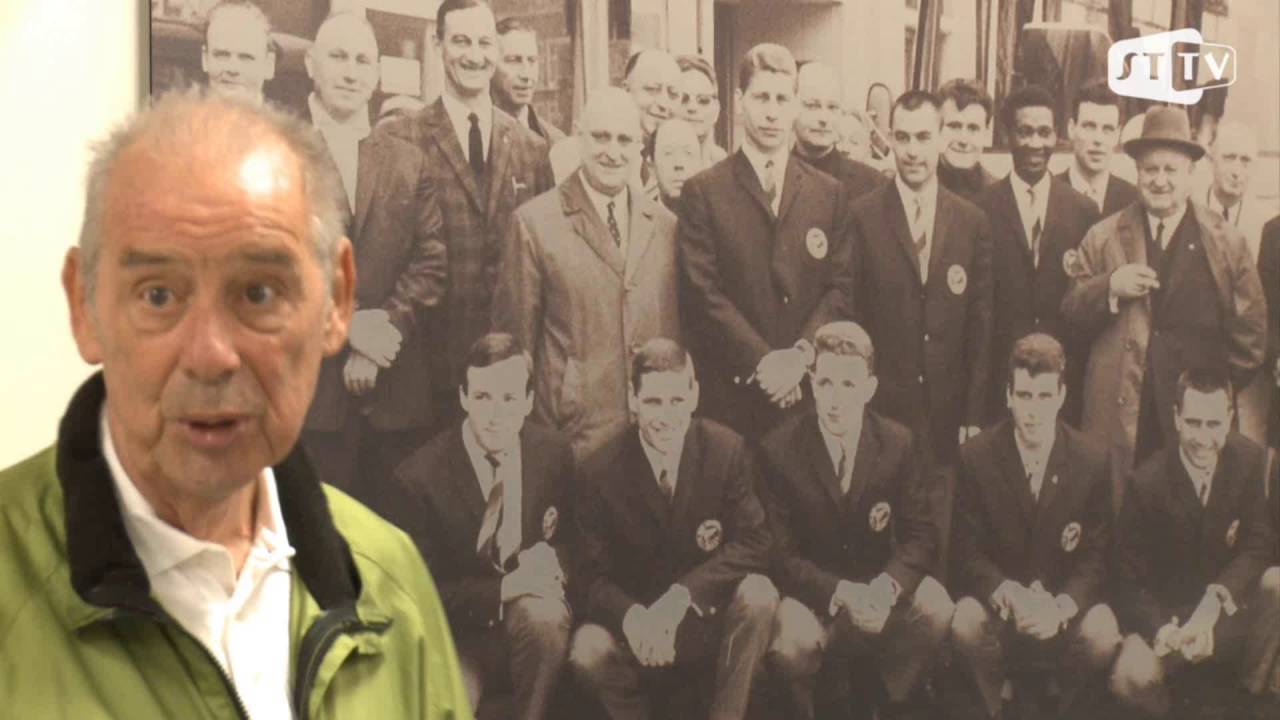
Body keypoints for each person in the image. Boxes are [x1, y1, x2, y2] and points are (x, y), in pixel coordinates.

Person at [0, 88, 469, 717]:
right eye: (158, 295)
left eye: (258, 293)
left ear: (337, 300)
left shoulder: (388, 579)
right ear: (84, 306)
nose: (211, 355)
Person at [1061, 106, 1266, 511]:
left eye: (1171, 170)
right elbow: (1069, 315)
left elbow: (1251, 336)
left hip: (1193, 423)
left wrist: (1212, 393)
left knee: (1190, 520)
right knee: (1120, 517)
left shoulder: (1226, 243)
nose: (1159, 180)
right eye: (1149, 169)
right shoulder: (1103, 237)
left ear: (1191, 173)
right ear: (1137, 172)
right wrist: (1109, 287)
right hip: (1124, 420)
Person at [570, 339, 777, 720]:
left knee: (759, 594)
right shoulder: (598, 471)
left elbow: (757, 541)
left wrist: (683, 595)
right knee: (587, 649)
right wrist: (634, 617)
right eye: (653, 402)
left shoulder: (726, 449)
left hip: (701, 621)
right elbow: (588, 577)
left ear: (694, 394)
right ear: (633, 399)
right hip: (638, 632)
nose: (666, 417)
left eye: (677, 401)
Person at [763, 322, 952, 720]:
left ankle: (884, 695)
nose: (835, 400)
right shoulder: (778, 451)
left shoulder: (897, 442)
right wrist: (839, 591)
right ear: (811, 383)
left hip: (876, 590)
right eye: (826, 383)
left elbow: (921, 536)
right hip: (814, 596)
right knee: (791, 643)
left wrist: (887, 586)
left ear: (869, 388)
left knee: (936, 605)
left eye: (849, 385)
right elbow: (779, 556)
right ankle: (817, 704)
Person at [298, 12, 447, 498]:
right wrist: (348, 328)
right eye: (338, 57)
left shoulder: (408, 159)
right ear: (311, 63)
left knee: (394, 534)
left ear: (377, 73)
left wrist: (381, 335)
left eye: (363, 60)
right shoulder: (279, 150)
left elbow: (431, 262)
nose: (350, 71)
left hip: (396, 397)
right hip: (312, 398)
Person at [383, 0, 553, 422]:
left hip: (507, 369)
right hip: (426, 371)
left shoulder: (531, 148)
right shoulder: (402, 138)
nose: (474, 55)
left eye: (484, 43)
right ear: (437, 43)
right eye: (461, 41)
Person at [388, 333, 574, 720]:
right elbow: (419, 594)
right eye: (483, 397)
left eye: (509, 398)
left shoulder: (553, 454)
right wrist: (505, 588)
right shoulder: (418, 479)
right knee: (449, 707)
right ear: (463, 397)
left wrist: (554, 561)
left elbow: (577, 543)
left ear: (528, 401)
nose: (495, 414)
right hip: (459, 634)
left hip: (527, 622)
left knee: (545, 616)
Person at [492, 89, 681, 461]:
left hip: (652, 433)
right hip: (574, 437)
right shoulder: (534, 223)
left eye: (624, 140)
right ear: (579, 137)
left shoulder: (665, 225)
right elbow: (516, 346)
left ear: (640, 147)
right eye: (601, 137)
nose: (613, 151)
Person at [678, 43, 852, 439]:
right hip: (732, 401)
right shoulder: (704, 191)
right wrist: (765, 363)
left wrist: (799, 358)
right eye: (761, 98)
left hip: (807, 400)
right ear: (739, 102)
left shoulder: (829, 193)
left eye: (782, 99)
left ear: (795, 105)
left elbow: (840, 289)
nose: (772, 112)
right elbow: (702, 292)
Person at [951, 333, 1121, 718]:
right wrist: (1008, 593)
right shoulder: (975, 457)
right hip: (1003, 609)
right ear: (1008, 396)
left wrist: (1060, 607)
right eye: (1025, 396)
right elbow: (966, 551)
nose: (1034, 410)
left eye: (1045, 396)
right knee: (964, 621)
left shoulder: (1091, 460)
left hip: (1060, 609)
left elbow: (1097, 557)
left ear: (1062, 396)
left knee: (1102, 632)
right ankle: (995, 707)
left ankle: (1065, 708)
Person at [1110, 369, 1280, 716]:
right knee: (1131, 677)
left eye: (1214, 424)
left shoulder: (1249, 460)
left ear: (1230, 418)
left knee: (1277, 584)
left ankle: (1250, 704)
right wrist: (1164, 630)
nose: (1203, 438)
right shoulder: (1145, 484)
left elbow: (1259, 542)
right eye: (1193, 423)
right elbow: (1126, 582)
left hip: (1225, 617)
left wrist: (1217, 597)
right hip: (1171, 624)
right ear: (1176, 418)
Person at [848, 89, 992, 467]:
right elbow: (853, 313)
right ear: (890, 139)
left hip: (948, 417)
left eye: (924, 137)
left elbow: (980, 325)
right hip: (882, 412)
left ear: (942, 138)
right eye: (903, 137)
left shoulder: (971, 222)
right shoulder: (862, 217)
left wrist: (973, 413)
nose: (912, 151)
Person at [977, 86, 1099, 425]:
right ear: (1007, 135)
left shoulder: (1083, 211)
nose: (1035, 143)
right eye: (1025, 132)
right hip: (1001, 385)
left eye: (1044, 132)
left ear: (1057, 135)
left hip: (1062, 384)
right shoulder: (980, 210)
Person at [1205, 121, 1271, 448]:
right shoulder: (1189, 210)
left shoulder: (1267, 224)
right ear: (1211, 159)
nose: (1236, 170)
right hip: (1198, 356)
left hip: (1247, 369)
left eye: (1245, 161)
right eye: (1229, 158)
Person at [550, 48, 681, 193]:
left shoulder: (678, 160)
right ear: (626, 90)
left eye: (673, 94)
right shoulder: (576, 153)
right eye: (652, 89)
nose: (664, 103)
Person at [791, 61, 883, 202]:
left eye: (832, 107)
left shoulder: (873, 185)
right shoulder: (774, 178)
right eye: (812, 106)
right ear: (792, 107)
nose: (823, 118)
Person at [1057, 78, 1140, 217]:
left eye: (1107, 129)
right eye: (1089, 127)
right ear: (1071, 129)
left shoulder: (1134, 201)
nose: (1098, 139)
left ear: (1117, 134)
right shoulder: (1048, 194)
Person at [492, 16, 565, 143]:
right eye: (514, 61)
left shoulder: (556, 142)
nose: (526, 74)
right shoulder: (473, 135)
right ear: (491, 66)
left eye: (532, 60)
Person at [201, 0, 275, 102]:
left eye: (246, 57)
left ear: (269, 66)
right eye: (222, 55)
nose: (233, 69)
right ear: (205, 59)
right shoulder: (182, 111)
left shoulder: (284, 113)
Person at [936, 78, 996, 201]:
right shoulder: (916, 188)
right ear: (936, 129)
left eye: (973, 128)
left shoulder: (999, 195)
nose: (963, 140)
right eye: (954, 126)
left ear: (986, 133)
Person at [677, 54, 728, 167]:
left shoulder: (727, 169)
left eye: (703, 100)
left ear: (716, 110)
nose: (692, 107)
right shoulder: (650, 166)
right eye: (683, 99)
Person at [651, 117, 702, 212]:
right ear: (652, 165)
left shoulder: (716, 217)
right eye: (668, 153)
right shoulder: (635, 217)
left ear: (700, 163)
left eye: (688, 153)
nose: (679, 164)